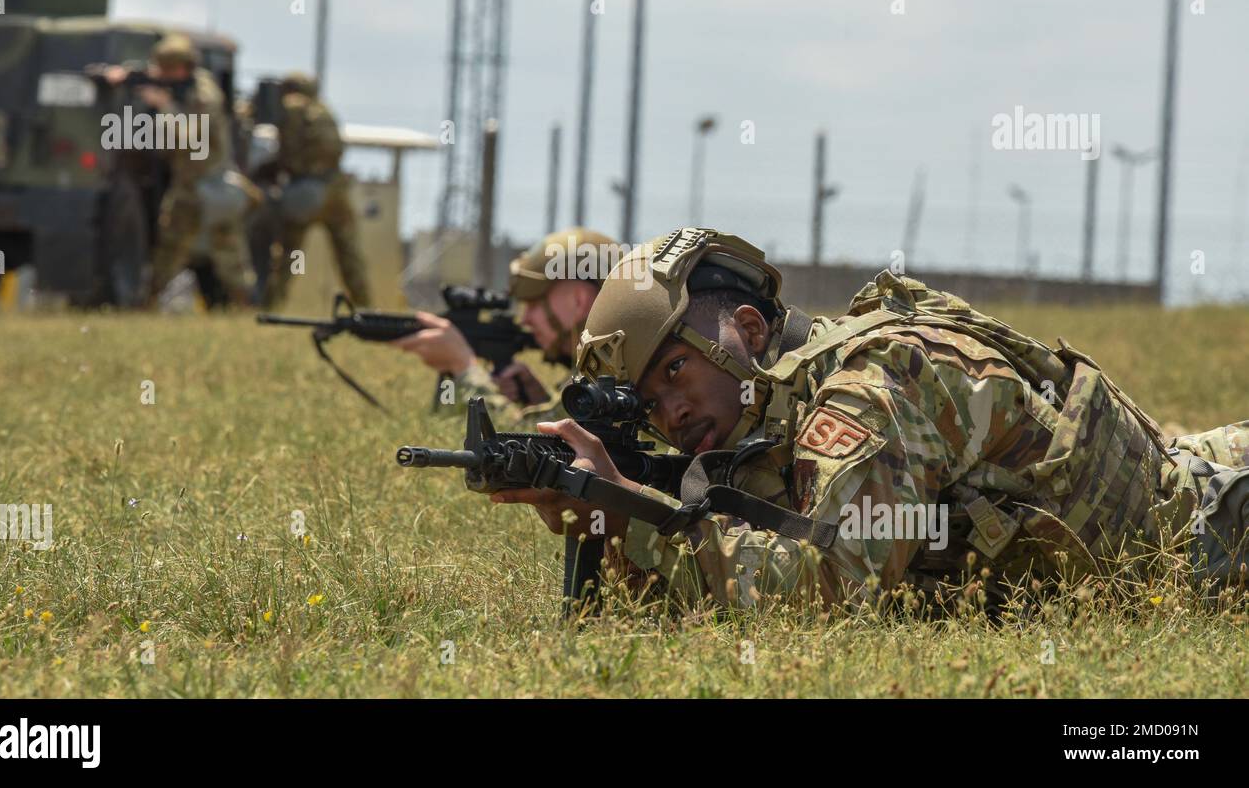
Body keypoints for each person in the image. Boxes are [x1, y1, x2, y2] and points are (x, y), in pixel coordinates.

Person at [491, 227, 1249, 610]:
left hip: (1216, 532)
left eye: (676, 368)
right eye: (651, 401)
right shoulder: (779, 413)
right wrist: (606, 515)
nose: (673, 407)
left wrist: (633, 522)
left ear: (750, 332)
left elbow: (840, 583)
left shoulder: (869, 388)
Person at [392, 228, 617, 429]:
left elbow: (527, 445)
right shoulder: (620, 354)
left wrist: (463, 368)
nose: (525, 319)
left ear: (578, 301)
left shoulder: (610, 368)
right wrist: (540, 401)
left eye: (533, 303)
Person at [102, 33, 254, 305]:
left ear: (180, 69)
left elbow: (188, 140)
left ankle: (147, 306)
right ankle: (243, 308)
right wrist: (125, 76)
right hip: (203, 188)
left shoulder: (204, 98)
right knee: (224, 255)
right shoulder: (193, 84)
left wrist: (164, 106)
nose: (159, 74)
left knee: (177, 252)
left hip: (202, 188)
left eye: (164, 70)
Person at [261, 73, 370, 308]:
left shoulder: (292, 108)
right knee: (348, 254)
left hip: (306, 191)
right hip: (336, 189)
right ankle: (365, 307)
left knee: (290, 254)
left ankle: (273, 306)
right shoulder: (324, 111)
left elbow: (287, 151)